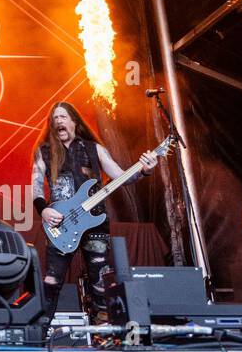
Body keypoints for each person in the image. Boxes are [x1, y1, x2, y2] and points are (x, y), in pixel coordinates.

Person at [31, 102, 157, 324]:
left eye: (63, 117)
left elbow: (121, 177)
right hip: (61, 224)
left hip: (94, 222)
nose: (58, 120)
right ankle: (39, 330)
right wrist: (44, 210)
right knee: (52, 280)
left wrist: (144, 170)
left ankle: (103, 332)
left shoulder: (94, 149)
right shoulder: (44, 151)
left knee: (100, 280)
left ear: (74, 122)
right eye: (55, 118)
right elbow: (36, 186)